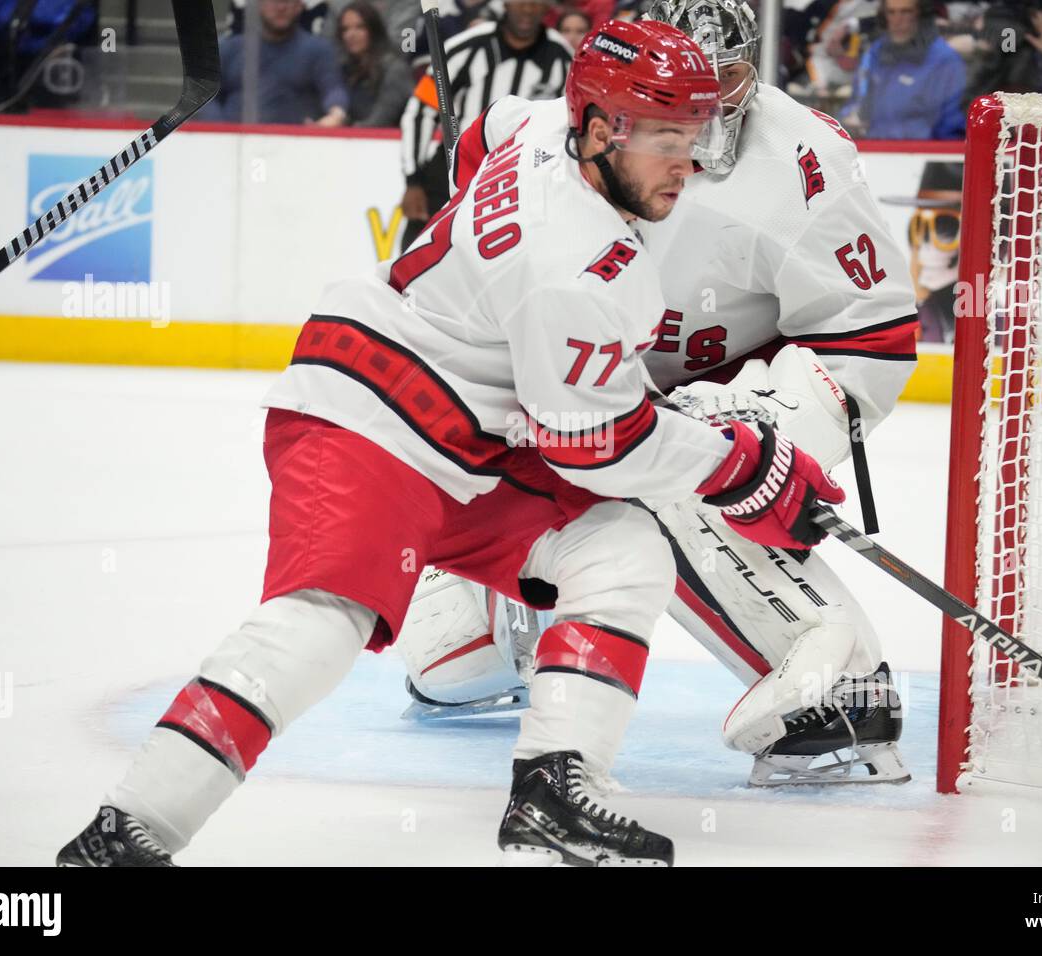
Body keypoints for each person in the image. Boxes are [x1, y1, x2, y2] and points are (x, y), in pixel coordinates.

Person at [55, 19, 847, 868]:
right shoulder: (575, 266)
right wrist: (743, 468)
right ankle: (126, 835)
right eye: (665, 138)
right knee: (321, 627)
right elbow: (596, 445)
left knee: (620, 551)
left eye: (693, 137)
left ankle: (555, 791)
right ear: (602, 129)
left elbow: (482, 133)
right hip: (368, 415)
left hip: (469, 435)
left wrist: (484, 274)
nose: (685, 164)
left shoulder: (546, 125)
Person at [396, 0, 919, 789]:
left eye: (724, 87)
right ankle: (511, 617)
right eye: (671, 109)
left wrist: (767, 435)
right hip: (597, 385)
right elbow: (481, 152)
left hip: (741, 386)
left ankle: (839, 683)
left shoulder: (808, 164)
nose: (699, 130)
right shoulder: (552, 130)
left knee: (663, 466)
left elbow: (873, 334)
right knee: (450, 664)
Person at [398, 0, 571, 251]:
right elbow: (420, 111)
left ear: (547, 8)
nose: (527, 8)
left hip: (523, 175)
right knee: (418, 250)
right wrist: (413, 180)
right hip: (456, 163)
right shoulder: (467, 47)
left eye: (536, 2)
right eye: (521, 1)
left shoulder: (561, 57)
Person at [205, 0, 350, 126]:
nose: (281, 8)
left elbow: (332, 88)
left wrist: (336, 114)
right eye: (274, 1)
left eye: (288, 1)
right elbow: (206, 94)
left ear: (300, 6)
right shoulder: (228, 48)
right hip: (234, 146)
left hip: (297, 145)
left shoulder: (319, 50)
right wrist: (221, 130)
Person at [840, 0, 965, 139]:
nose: (897, 20)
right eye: (891, 12)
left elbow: (952, 126)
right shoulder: (875, 52)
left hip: (922, 152)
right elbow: (856, 101)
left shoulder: (944, 60)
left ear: (921, 15)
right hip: (874, 149)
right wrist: (849, 116)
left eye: (906, 12)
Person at [338, 0, 414, 126]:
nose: (351, 34)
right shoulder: (346, 70)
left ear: (374, 30)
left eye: (360, 27)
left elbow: (380, 122)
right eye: (345, 29)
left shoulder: (395, 70)